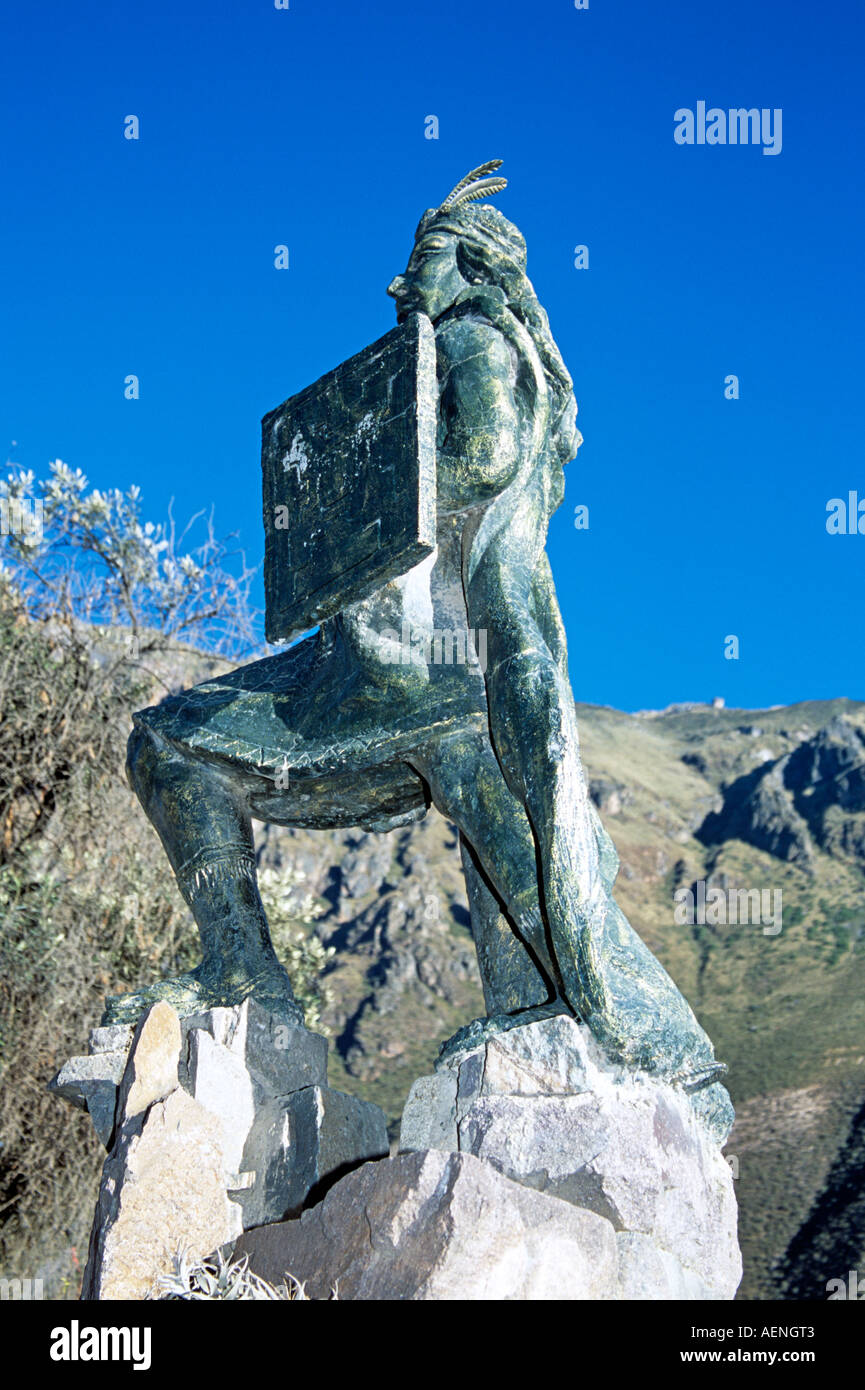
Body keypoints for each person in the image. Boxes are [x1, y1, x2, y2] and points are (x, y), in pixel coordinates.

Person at [111, 163, 728, 1116]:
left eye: (425, 262)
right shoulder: (452, 357)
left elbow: (480, 454)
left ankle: (246, 970)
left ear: (476, 269)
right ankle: (601, 1034)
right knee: (538, 890)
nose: (403, 286)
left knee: (171, 741)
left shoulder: (479, 343)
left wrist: (359, 474)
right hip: (423, 675)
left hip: (429, 676)